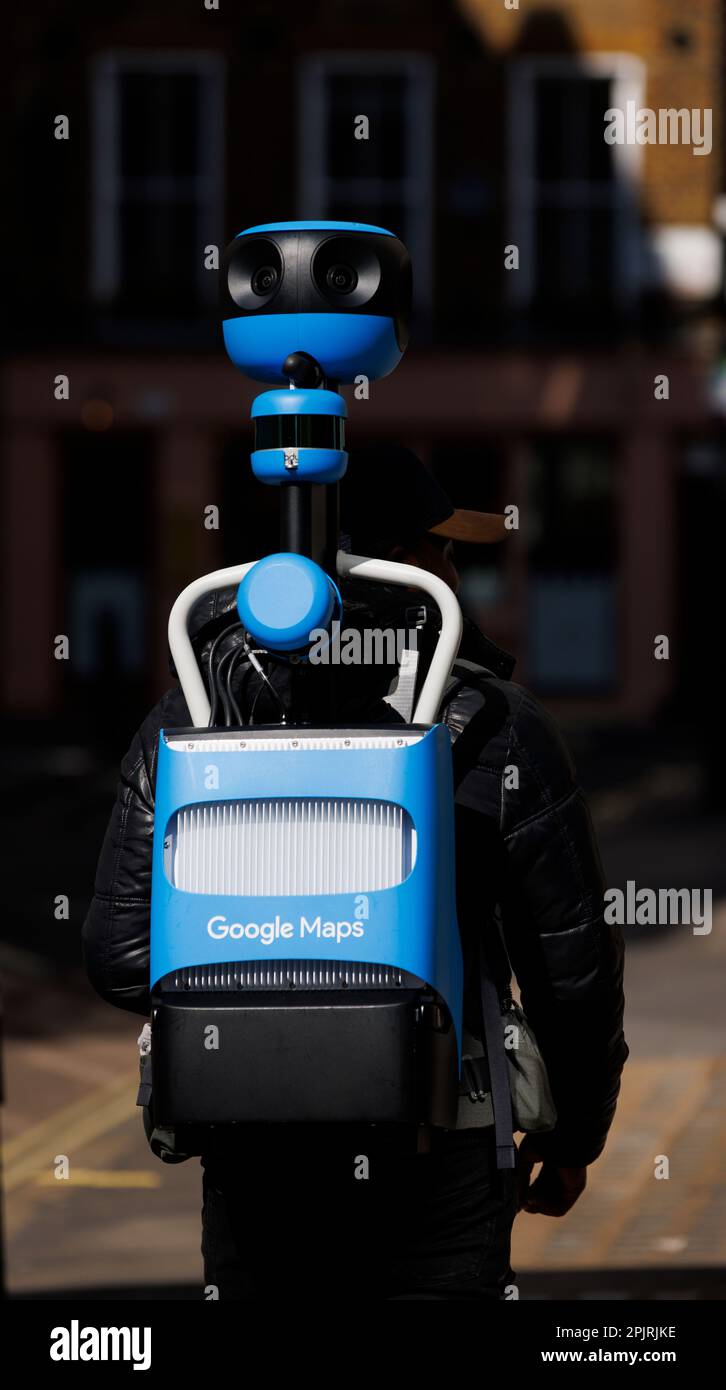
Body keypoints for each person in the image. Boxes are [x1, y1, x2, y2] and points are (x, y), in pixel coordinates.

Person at [82, 444, 628, 1301]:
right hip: (443, 1150)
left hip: (248, 1151)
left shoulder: (190, 713)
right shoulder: (493, 724)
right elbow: (571, 971)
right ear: (400, 563)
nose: (454, 568)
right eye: (443, 548)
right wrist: (572, 1141)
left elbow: (120, 953)